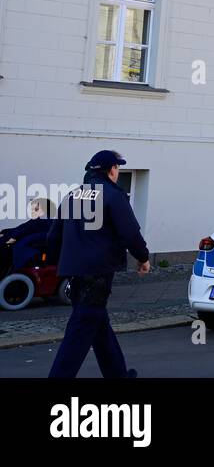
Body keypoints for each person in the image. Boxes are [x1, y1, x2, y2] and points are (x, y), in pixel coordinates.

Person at [47, 150, 150, 379]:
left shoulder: (72, 196)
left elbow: (53, 238)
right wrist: (143, 258)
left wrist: (58, 265)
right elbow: (130, 234)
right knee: (80, 331)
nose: (118, 173)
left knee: (99, 326)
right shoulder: (113, 196)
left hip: (74, 274)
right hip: (98, 275)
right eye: (117, 168)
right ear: (111, 170)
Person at [0, 196, 52, 276]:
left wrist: (9, 237)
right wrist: (4, 232)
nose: (32, 211)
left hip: (27, 248)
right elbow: (20, 228)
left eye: (36, 209)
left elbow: (22, 232)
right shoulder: (38, 220)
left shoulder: (43, 220)